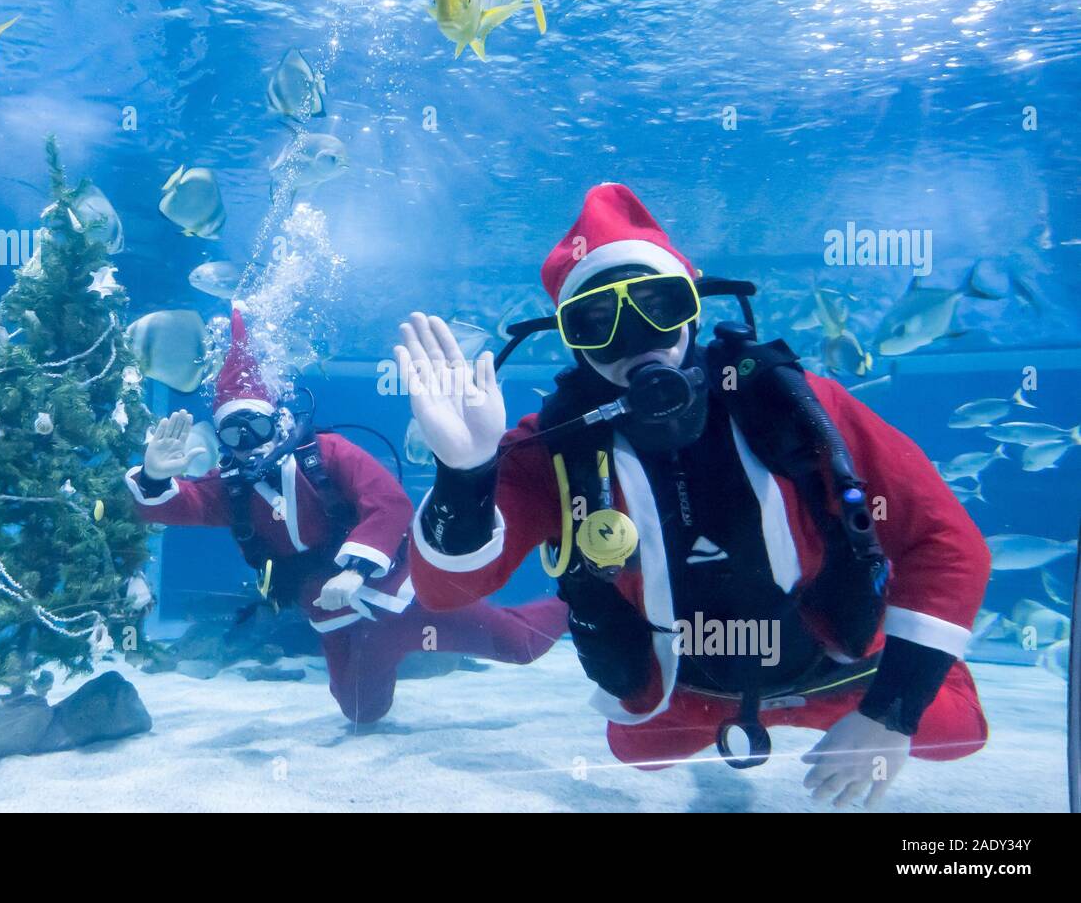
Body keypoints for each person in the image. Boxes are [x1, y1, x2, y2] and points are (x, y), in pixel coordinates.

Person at [395, 183, 990, 807]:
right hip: (688, 691)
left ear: (694, 309)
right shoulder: (555, 448)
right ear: (572, 340)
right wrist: (465, 472)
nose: (636, 340)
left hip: (839, 673)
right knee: (636, 752)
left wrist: (889, 715)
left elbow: (949, 544)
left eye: (659, 306)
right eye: (599, 323)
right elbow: (446, 591)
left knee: (957, 732)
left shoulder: (802, 407)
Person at [125, 308, 568, 725]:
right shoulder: (233, 486)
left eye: (255, 427)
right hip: (334, 615)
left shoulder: (327, 453)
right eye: (232, 432)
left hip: (407, 594)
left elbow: (389, 502)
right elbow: (188, 505)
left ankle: (577, 602)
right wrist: (154, 477)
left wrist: (357, 570)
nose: (247, 443)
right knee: (362, 709)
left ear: (279, 421)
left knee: (520, 644)